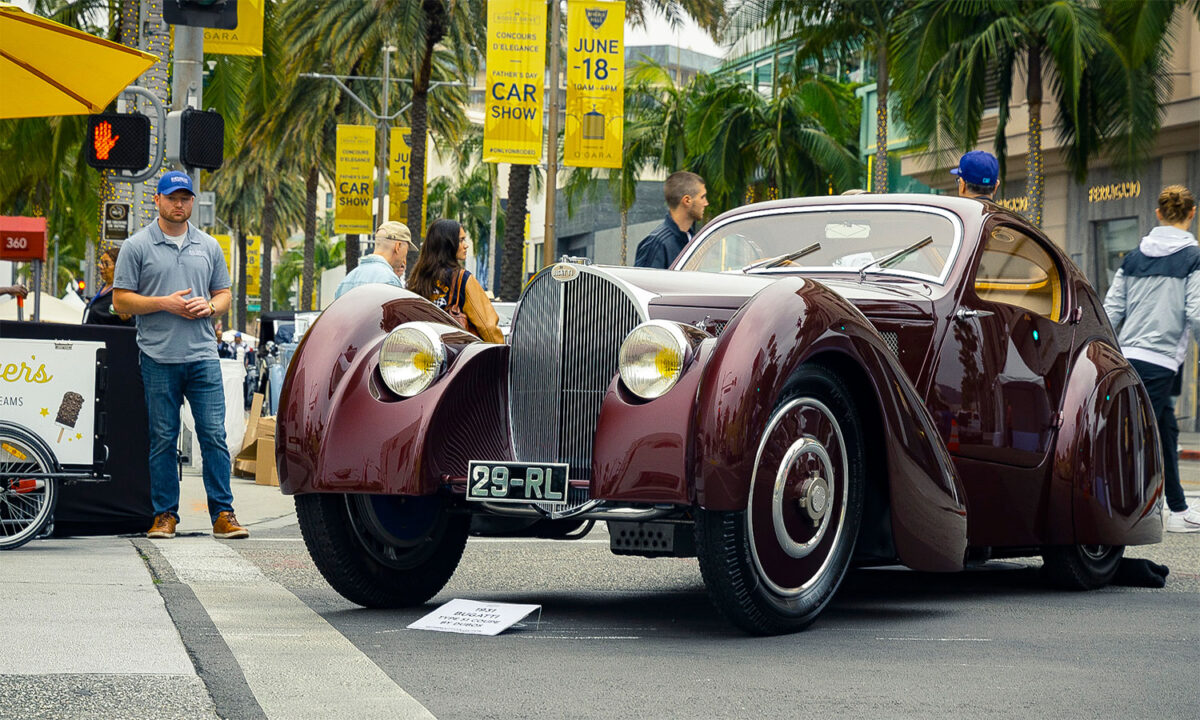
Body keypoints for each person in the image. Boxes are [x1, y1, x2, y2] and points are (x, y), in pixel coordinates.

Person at [112, 170, 248, 540]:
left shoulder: (209, 245)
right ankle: (164, 516)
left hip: (203, 356)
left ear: (192, 202)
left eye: (185, 198)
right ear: (157, 200)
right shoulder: (137, 246)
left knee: (214, 436)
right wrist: (164, 303)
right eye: (172, 197)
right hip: (157, 357)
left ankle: (223, 514)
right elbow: (120, 301)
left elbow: (224, 294)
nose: (179, 204)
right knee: (162, 439)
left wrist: (211, 307)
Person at [1103, 184, 1200, 533]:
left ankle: (1178, 508)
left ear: (1158, 213)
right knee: (1137, 437)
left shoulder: (1133, 257)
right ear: (1192, 213)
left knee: (1164, 430)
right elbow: (1197, 312)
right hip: (1161, 360)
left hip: (1128, 355)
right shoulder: (1193, 257)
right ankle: (1114, 512)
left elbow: (1111, 310)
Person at [409, 218, 504, 343]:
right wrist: (501, 349)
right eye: (461, 240)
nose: (466, 245)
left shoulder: (416, 279)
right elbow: (488, 326)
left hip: (422, 349)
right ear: (448, 244)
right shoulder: (463, 278)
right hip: (455, 351)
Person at [635, 171, 709, 269]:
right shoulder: (657, 244)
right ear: (687, 200)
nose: (706, 203)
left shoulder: (691, 238)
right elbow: (644, 278)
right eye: (702, 197)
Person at [334, 220, 411, 299]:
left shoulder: (346, 281)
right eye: (407, 250)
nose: (404, 260)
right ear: (398, 247)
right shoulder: (390, 280)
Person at [83, 247, 134, 326]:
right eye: (101, 263)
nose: (101, 266)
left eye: (106, 264)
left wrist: (126, 320)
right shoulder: (103, 288)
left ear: (118, 267)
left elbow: (132, 323)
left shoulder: (123, 294)